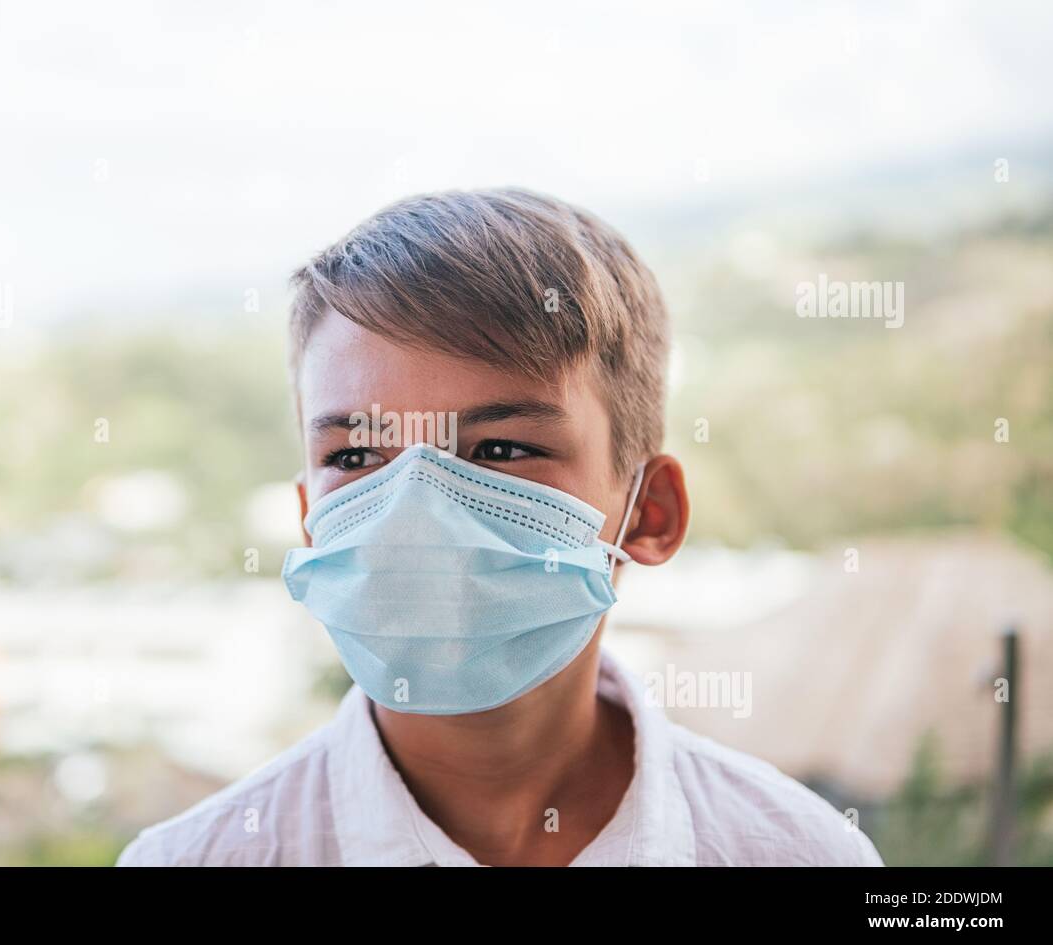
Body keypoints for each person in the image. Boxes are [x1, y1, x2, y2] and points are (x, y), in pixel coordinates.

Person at [118, 188, 884, 866]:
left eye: (502, 449)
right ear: (309, 521)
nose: (414, 510)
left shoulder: (800, 852)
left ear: (649, 513)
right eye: (355, 455)